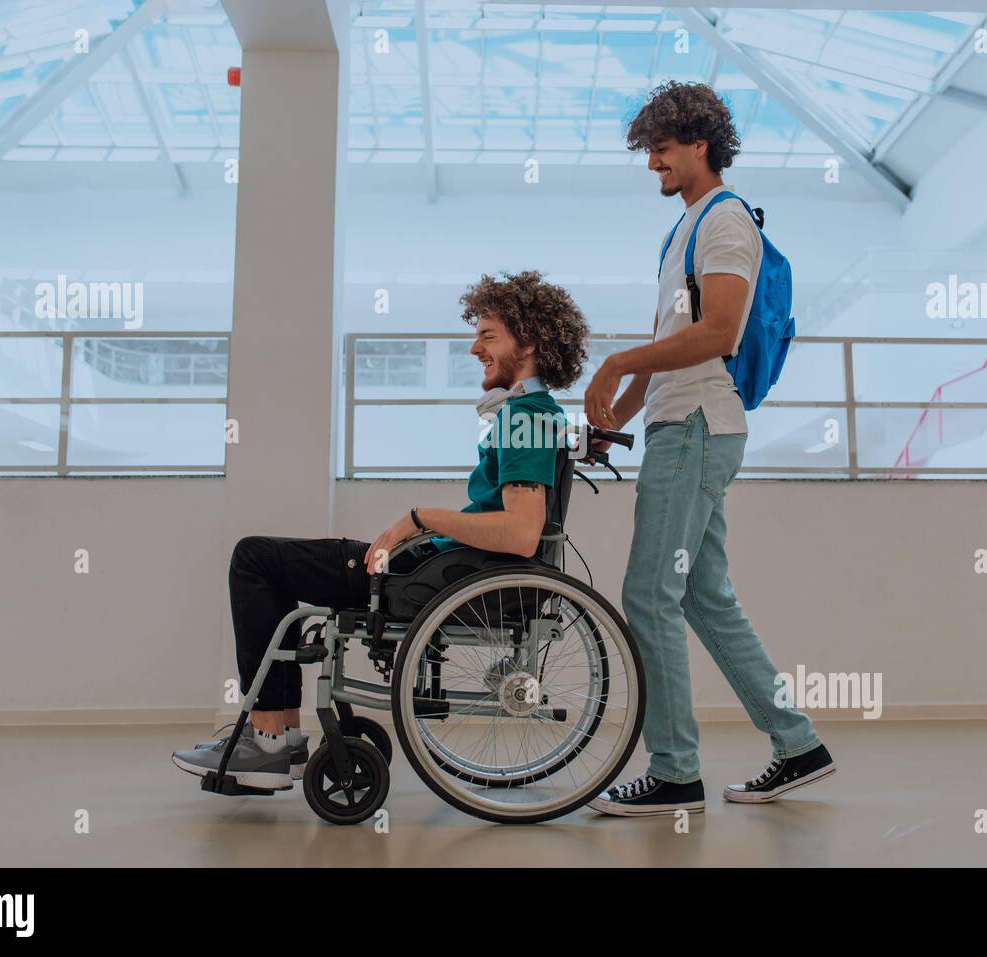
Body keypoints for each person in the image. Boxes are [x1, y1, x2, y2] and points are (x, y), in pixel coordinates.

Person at [172, 271, 589, 790]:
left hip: (440, 574)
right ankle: (273, 737)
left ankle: (271, 742)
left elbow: (522, 534)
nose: (473, 346)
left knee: (254, 558)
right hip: (444, 567)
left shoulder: (524, 417)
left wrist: (418, 519)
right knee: (270, 566)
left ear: (528, 342)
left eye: (488, 335)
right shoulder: (530, 413)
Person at [584, 81, 835, 817]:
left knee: (648, 592)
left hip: (696, 430)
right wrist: (614, 418)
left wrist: (617, 364)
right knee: (702, 594)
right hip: (683, 422)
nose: (652, 161)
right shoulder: (685, 229)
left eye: (661, 147)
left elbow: (720, 333)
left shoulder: (725, 224)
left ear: (701, 144)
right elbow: (675, 346)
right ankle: (798, 743)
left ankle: (674, 771)